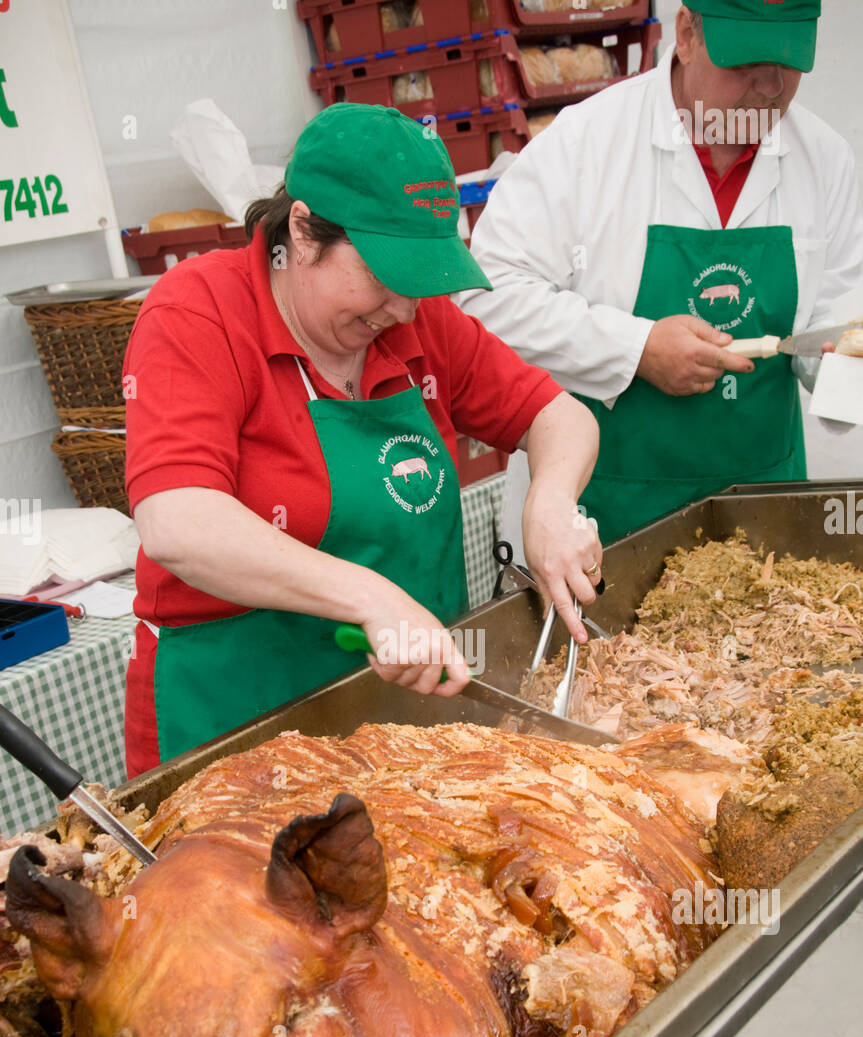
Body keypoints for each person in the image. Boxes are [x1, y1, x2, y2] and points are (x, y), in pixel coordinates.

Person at [124, 103, 601, 776]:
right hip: (236, 719)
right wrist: (369, 598)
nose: (403, 309)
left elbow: (559, 415)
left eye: (418, 281)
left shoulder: (414, 318)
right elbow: (178, 522)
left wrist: (550, 504)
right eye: (384, 275)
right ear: (303, 232)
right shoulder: (196, 312)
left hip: (405, 710)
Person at [458, 0, 863, 548]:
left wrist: (840, 360)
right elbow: (483, 299)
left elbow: (835, 317)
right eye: (746, 64)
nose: (769, 87)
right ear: (687, 33)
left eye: (789, 65)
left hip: (764, 518)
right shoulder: (586, 145)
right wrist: (636, 347)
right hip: (606, 518)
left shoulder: (825, 160)